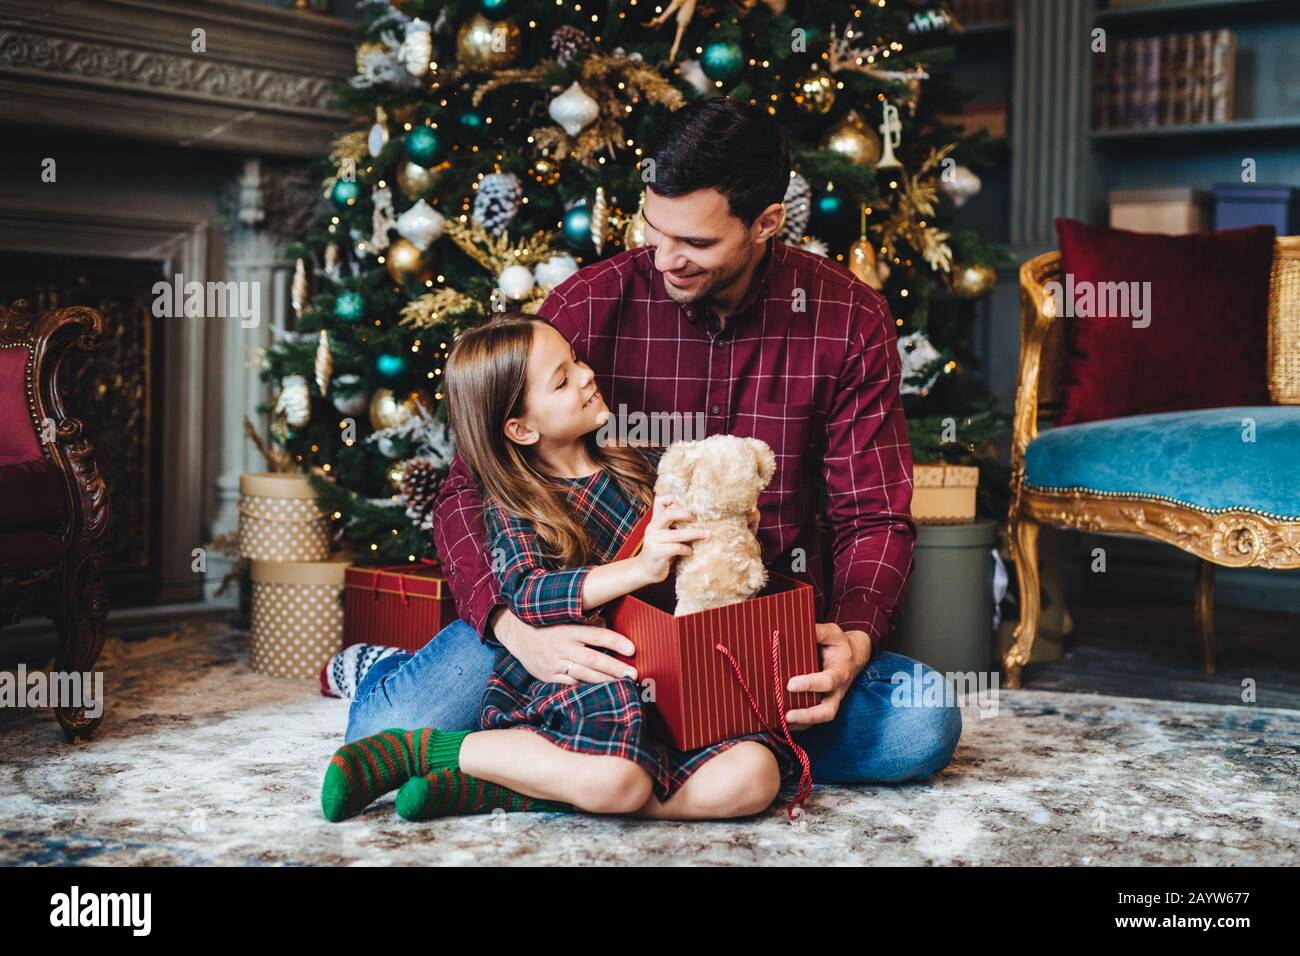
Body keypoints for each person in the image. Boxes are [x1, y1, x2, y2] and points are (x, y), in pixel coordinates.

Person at [344, 97, 962, 787]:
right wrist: (516, 631)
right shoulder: (583, 306)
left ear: (766, 224)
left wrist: (853, 636)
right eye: (653, 229)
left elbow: (873, 515)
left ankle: (590, 752)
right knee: (380, 734)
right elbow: (467, 490)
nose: (665, 258)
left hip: (744, 627)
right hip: (577, 618)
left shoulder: (849, 318)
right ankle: (617, 737)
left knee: (921, 723)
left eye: (695, 243)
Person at [322, 314, 797, 822]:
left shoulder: (636, 465)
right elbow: (526, 590)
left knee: (756, 777)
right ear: (522, 428)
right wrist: (640, 568)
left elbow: (692, 544)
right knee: (617, 780)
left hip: (661, 685)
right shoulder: (516, 505)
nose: (586, 374)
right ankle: (427, 751)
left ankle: (506, 788)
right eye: (562, 379)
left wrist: (725, 519)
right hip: (576, 689)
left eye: (576, 361)